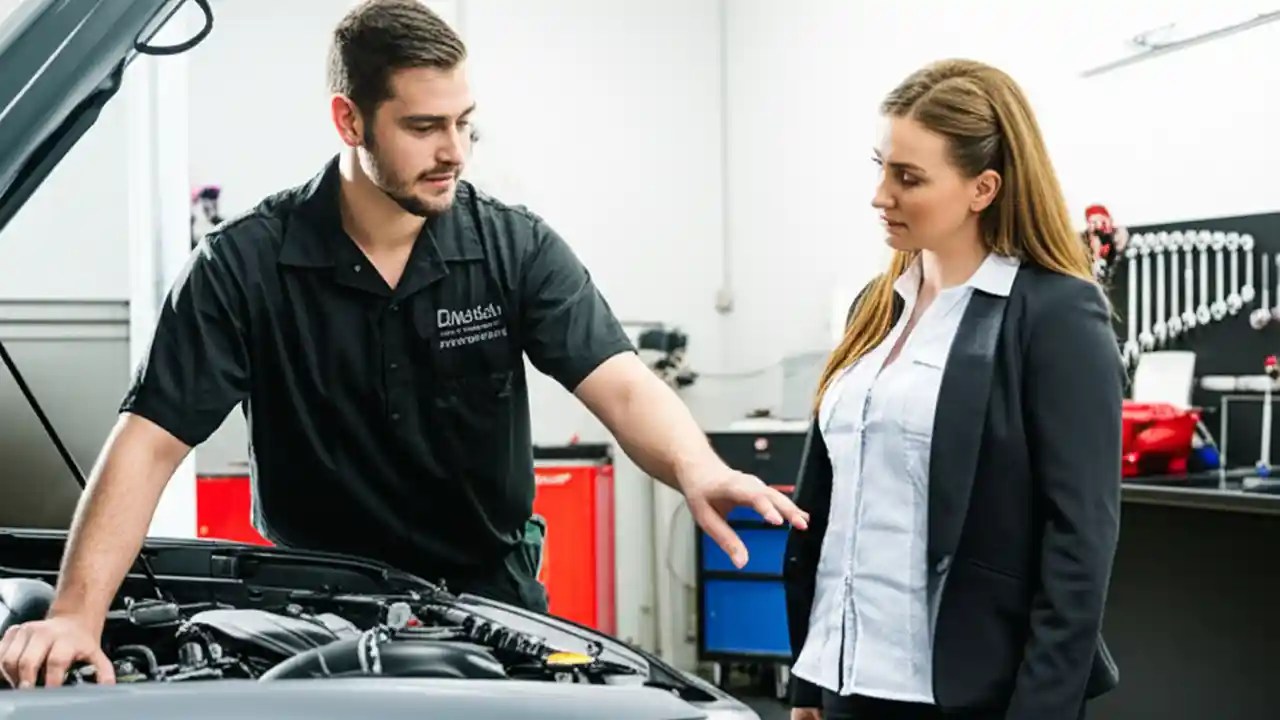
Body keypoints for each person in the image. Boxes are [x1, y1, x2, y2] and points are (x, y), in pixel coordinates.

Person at [0, 0, 807, 689]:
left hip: (489, 603)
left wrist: (698, 467)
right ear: (349, 119)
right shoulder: (244, 267)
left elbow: (621, 383)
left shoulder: (511, 248)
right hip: (311, 614)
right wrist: (75, 615)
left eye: (463, 124)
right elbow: (148, 443)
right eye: (424, 127)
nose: (454, 149)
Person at [783, 59, 1123, 720]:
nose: (881, 195)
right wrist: (806, 683)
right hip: (844, 676)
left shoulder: (1054, 315)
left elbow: (1080, 542)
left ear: (982, 188)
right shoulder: (873, 307)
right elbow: (834, 505)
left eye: (908, 177)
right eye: (880, 167)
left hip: (966, 693)